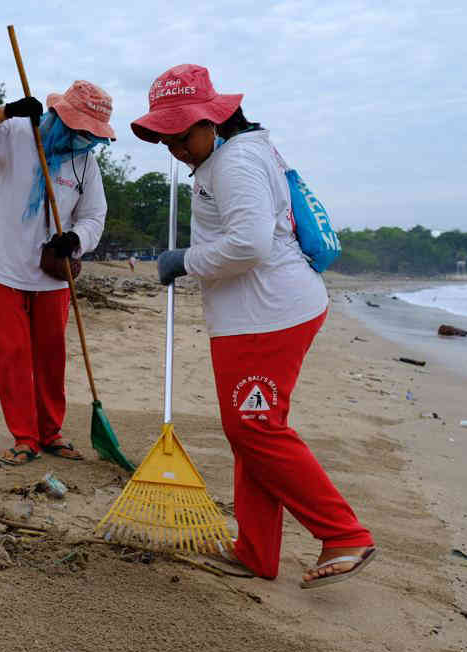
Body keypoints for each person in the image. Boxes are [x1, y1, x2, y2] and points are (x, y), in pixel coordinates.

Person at [132, 64, 375, 588]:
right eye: (164, 137)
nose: (173, 146)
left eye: (180, 133)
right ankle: (256, 551)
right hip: (255, 314)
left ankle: (343, 533)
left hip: (268, 315)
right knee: (250, 433)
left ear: (213, 119)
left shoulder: (236, 161)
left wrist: (184, 261)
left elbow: (248, 245)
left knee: (256, 429)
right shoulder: (231, 155)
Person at [0, 80, 113, 465]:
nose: (83, 138)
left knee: (51, 355)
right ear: (60, 116)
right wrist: (5, 112)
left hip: (50, 274)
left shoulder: (85, 162)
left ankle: (51, 432)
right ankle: (25, 437)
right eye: (78, 129)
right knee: (13, 355)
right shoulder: (17, 133)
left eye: (91, 134)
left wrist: (75, 239)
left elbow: (95, 216)